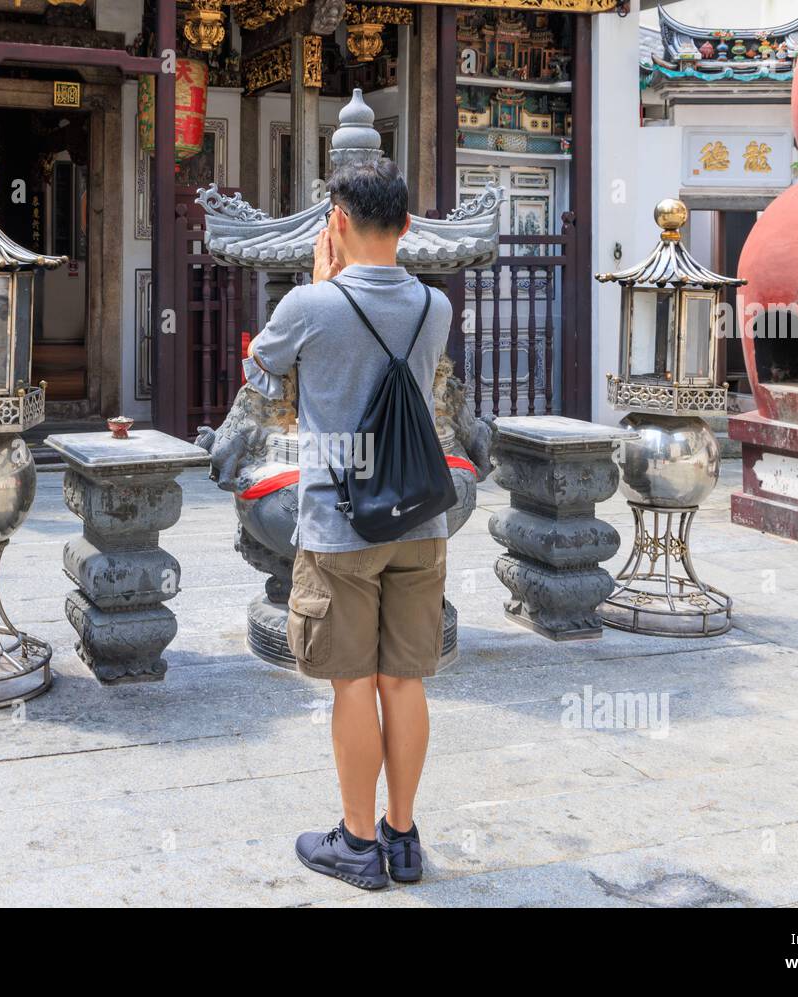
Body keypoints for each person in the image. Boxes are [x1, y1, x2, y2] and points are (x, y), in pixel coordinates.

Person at [242, 159, 451, 890]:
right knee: (405, 680)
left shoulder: (310, 304)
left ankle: (357, 842)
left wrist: (320, 281)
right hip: (421, 519)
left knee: (351, 682)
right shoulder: (436, 305)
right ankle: (403, 835)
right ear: (408, 226)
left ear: (335, 222)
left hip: (339, 523)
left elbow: (261, 375)